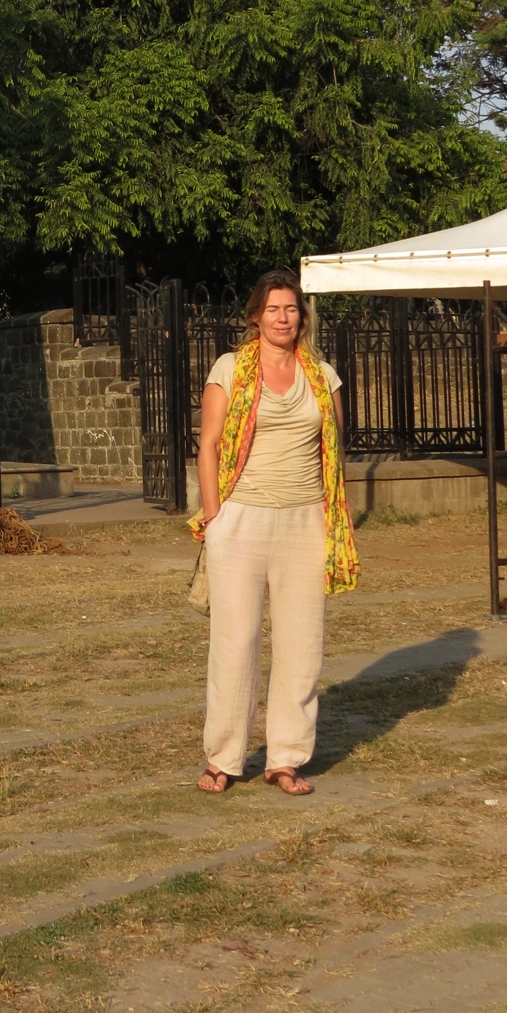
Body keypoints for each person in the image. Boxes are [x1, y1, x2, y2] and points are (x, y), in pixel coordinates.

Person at [191, 270, 358, 796]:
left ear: (301, 316)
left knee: (301, 644)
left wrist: (337, 518)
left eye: (291, 309)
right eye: (273, 309)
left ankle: (286, 757)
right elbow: (209, 445)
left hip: (305, 520)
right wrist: (215, 516)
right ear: (256, 316)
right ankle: (223, 759)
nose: (283, 318)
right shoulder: (231, 368)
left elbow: (333, 453)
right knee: (235, 643)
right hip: (240, 519)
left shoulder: (323, 375)